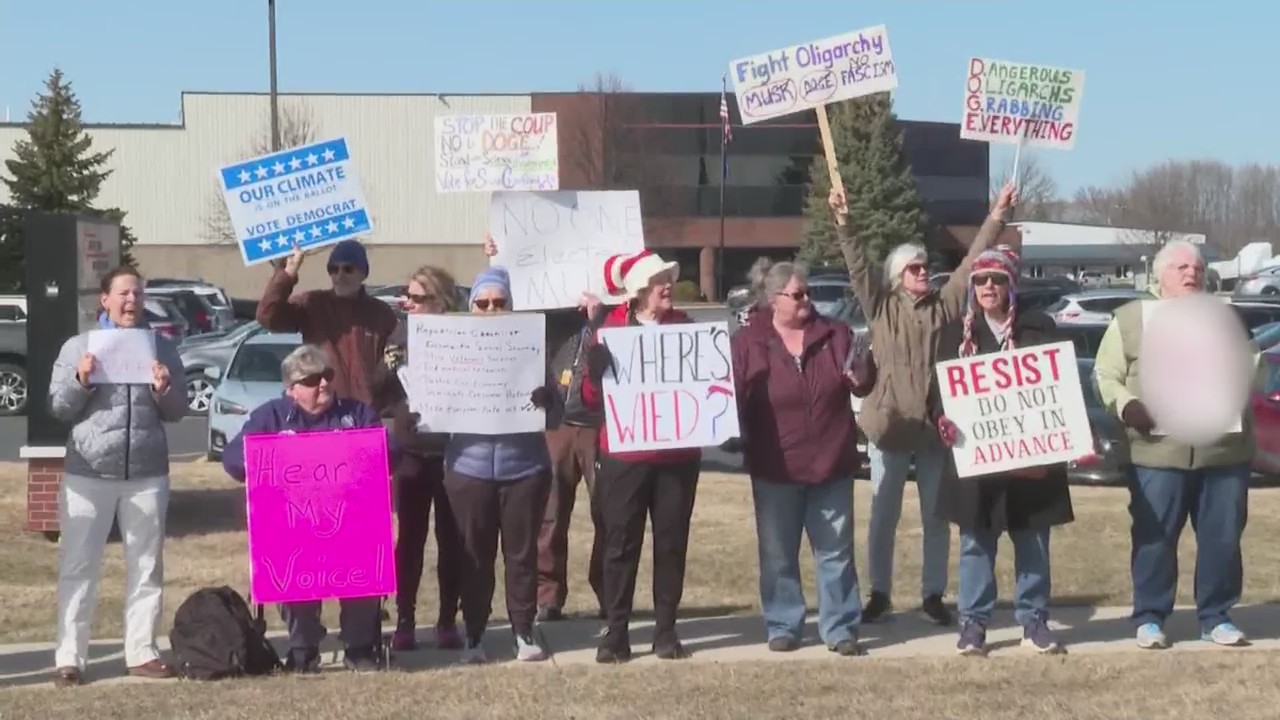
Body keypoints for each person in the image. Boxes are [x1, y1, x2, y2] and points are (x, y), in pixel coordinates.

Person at [832, 182, 1017, 624]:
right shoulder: (881, 306)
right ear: (898, 276)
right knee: (884, 515)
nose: (923, 272)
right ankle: (879, 593)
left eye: (925, 266)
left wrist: (996, 216)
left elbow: (971, 263)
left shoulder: (942, 306)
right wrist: (843, 222)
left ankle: (933, 594)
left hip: (935, 428)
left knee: (937, 515)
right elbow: (857, 266)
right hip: (889, 426)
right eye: (915, 268)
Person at [1095, 240, 1261, 649]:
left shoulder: (1224, 316)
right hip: (1157, 452)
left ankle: (1216, 616)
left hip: (1222, 450)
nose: (1192, 274)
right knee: (1154, 538)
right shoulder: (1131, 318)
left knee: (1222, 538)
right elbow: (1104, 375)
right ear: (1160, 275)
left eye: (1198, 268)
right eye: (1182, 267)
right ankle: (1150, 617)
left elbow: (1256, 374)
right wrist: (1127, 404)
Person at [929, 246, 1074, 656]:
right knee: (976, 544)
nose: (988, 286)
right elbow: (938, 392)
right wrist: (942, 418)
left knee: (1033, 543)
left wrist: (1059, 448)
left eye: (997, 279)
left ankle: (1034, 621)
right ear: (972, 286)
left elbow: (1060, 392)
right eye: (981, 279)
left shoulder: (1039, 328)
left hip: (1031, 461)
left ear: (1011, 284)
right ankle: (973, 624)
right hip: (977, 462)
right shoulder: (955, 334)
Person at [49, 266, 188, 687]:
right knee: (79, 564)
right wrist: (81, 380)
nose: (132, 301)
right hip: (88, 471)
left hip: (146, 471)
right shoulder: (78, 346)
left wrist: (163, 389)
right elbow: (58, 407)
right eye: (124, 293)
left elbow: (178, 410)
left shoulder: (160, 348)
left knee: (146, 565)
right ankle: (70, 657)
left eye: (138, 294)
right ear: (104, 299)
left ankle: (141, 651)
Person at [729, 258, 873, 656]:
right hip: (775, 466)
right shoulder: (748, 342)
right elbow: (730, 394)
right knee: (778, 554)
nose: (807, 300)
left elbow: (861, 383)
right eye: (798, 295)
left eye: (808, 293)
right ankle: (783, 624)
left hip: (831, 462)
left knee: (836, 552)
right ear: (773, 299)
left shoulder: (835, 333)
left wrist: (863, 374)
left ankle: (840, 628)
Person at [222, 344, 392, 672]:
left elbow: (389, 450)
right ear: (291, 389)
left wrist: (362, 451)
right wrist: (270, 458)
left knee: (362, 565)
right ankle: (303, 649)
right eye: (312, 379)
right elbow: (233, 459)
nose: (324, 384)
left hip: (349, 521)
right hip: (294, 525)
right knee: (289, 567)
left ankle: (358, 648)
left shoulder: (356, 414)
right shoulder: (270, 416)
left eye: (327, 375)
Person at [581, 250, 702, 663]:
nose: (667, 286)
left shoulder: (685, 328)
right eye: (657, 281)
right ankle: (617, 631)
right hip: (624, 455)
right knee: (620, 543)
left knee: (671, 543)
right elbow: (590, 400)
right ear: (637, 291)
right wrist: (595, 373)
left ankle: (666, 630)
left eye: (668, 278)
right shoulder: (610, 331)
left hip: (677, 457)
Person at [443, 266, 556, 664]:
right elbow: (432, 405)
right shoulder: (452, 349)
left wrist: (547, 400)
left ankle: (523, 630)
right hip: (468, 468)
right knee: (474, 556)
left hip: (524, 468)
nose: (491, 309)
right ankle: (474, 633)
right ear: (471, 307)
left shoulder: (533, 348)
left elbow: (557, 414)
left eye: (500, 302)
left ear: (511, 305)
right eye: (483, 303)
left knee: (521, 555)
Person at [383, 266, 466, 651]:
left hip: (452, 448)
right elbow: (378, 390)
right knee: (410, 540)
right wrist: (389, 363)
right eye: (408, 296)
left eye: (418, 298)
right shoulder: (399, 334)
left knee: (452, 540)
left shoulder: (462, 335)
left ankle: (448, 619)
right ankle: (405, 620)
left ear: (440, 301)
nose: (410, 304)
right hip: (412, 451)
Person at [256, 239, 398, 410]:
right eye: (333, 269)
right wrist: (287, 275)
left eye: (348, 269)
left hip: (367, 413)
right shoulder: (312, 304)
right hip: (324, 409)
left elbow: (394, 365)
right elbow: (267, 317)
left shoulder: (381, 313)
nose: (340, 275)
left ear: (363, 273)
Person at [536, 299, 608, 622]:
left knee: (608, 514)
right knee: (549, 515)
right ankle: (547, 597)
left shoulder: (618, 314)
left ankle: (610, 593)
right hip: (557, 422)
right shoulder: (551, 309)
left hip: (601, 423)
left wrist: (598, 318)